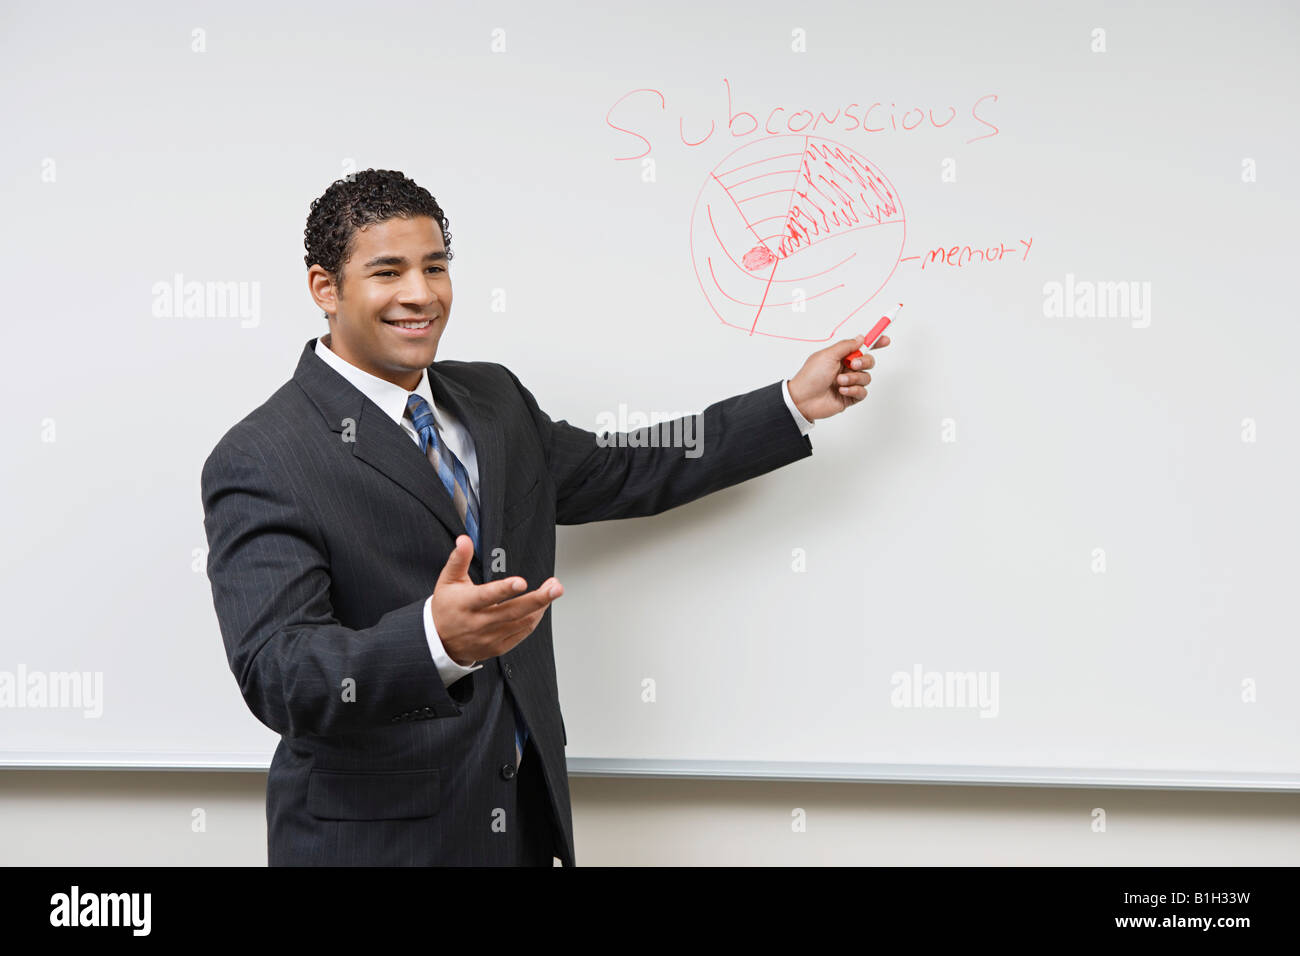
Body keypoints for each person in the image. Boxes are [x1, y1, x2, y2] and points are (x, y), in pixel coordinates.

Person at [200, 168, 890, 866]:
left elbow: (625, 469)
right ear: (325, 288)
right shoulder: (263, 456)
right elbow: (278, 673)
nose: (421, 294)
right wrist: (435, 639)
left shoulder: (492, 398)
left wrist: (791, 403)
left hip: (523, 826)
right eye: (388, 271)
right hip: (377, 843)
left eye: (435, 266)